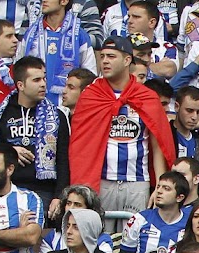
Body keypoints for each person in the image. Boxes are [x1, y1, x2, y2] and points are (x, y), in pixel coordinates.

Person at [68, 36, 178, 215]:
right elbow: (81, 147)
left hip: (138, 182)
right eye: (102, 56)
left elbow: (159, 144)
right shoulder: (90, 96)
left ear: (127, 60)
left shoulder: (147, 97)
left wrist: (159, 186)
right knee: (101, 238)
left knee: (134, 238)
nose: (105, 61)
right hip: (101, 182)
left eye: (111, 56)